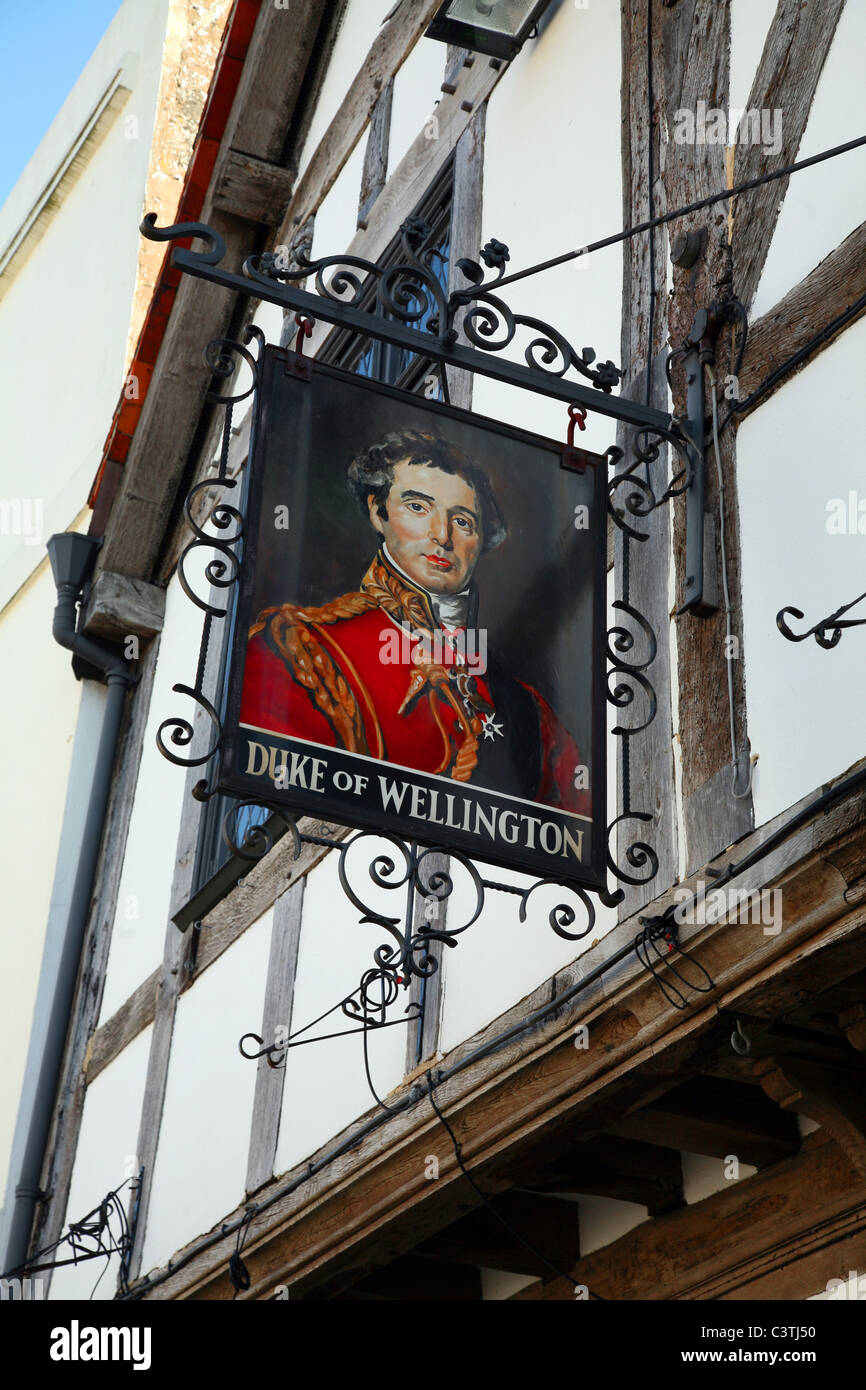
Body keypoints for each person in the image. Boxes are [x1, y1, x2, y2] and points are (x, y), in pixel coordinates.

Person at [240, 428, 590, 815]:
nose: (442, 536)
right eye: (419, 508)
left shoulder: (529, 710)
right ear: (378, 511)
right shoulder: (300, 650)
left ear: (480, 543)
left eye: (463, 522)